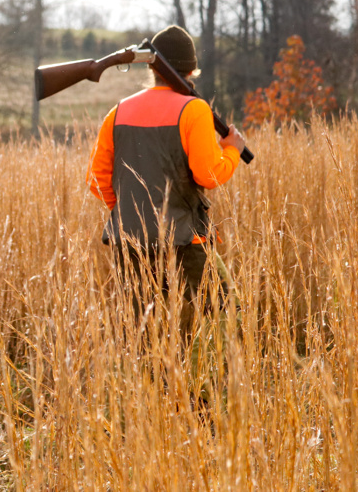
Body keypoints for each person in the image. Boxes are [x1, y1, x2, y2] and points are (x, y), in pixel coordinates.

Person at [86, 25, 246, 324]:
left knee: (141, 329)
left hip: (129, 239)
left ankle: (150, 373)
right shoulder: (194, 110)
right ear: (192, 69)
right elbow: (209, 176)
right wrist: (232, 150)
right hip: (185, 239)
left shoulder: (118, 111)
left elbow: (97, 179)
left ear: (153, 69)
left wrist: (129, 213)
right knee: (224, 315)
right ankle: (209, 371)